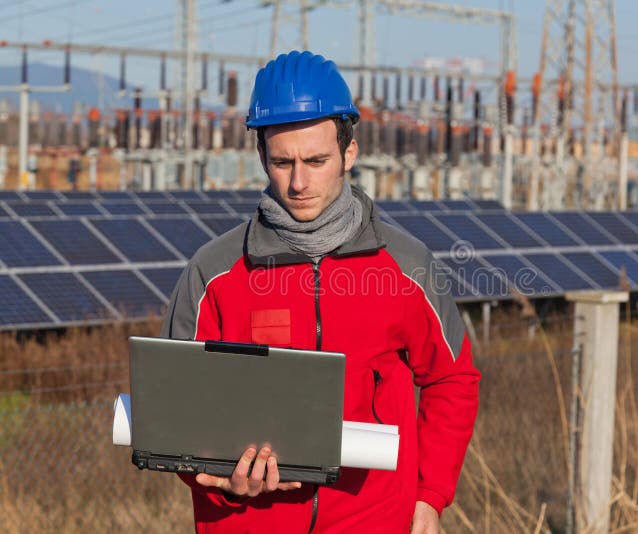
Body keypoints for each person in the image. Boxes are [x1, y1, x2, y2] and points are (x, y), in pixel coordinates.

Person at [160, 50, 480, 534]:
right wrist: (219, 485)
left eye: (316, 160)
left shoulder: (407, 266)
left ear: (349, 152)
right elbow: (173, 405)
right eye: (282, 162)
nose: (299, 182)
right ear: (260, 155)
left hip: (374, 521)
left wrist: (430, 497)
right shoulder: (213, 275)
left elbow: (452, 379)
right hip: (248, 524)